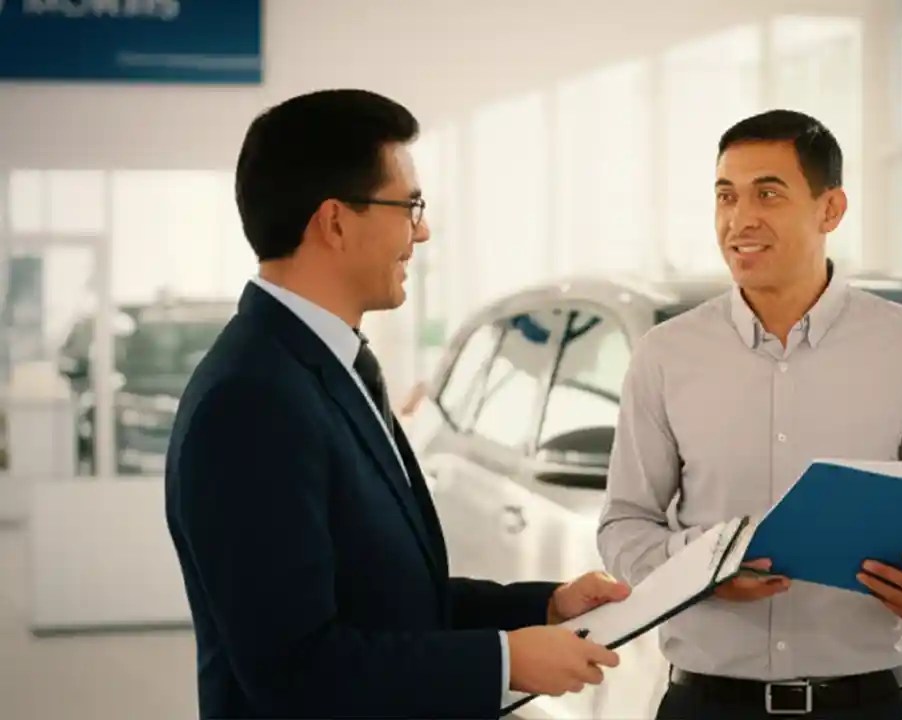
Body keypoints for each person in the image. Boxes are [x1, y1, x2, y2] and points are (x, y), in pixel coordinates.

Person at [165, 89, 627, 720]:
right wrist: (505, 661)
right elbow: (296, 669)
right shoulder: (250, 402)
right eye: (410, 207)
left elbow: (390, 598)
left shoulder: (328, 366)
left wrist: (543, 607)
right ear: (335, 222)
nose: (423, 231)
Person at [597, 109, 902, 719]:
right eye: (726, 196)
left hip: (867, 704)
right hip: (707, 703)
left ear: (830, 209)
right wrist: (699, 571)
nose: (739, 219)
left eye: (768, 194)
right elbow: (625, 523)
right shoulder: (665, 355)